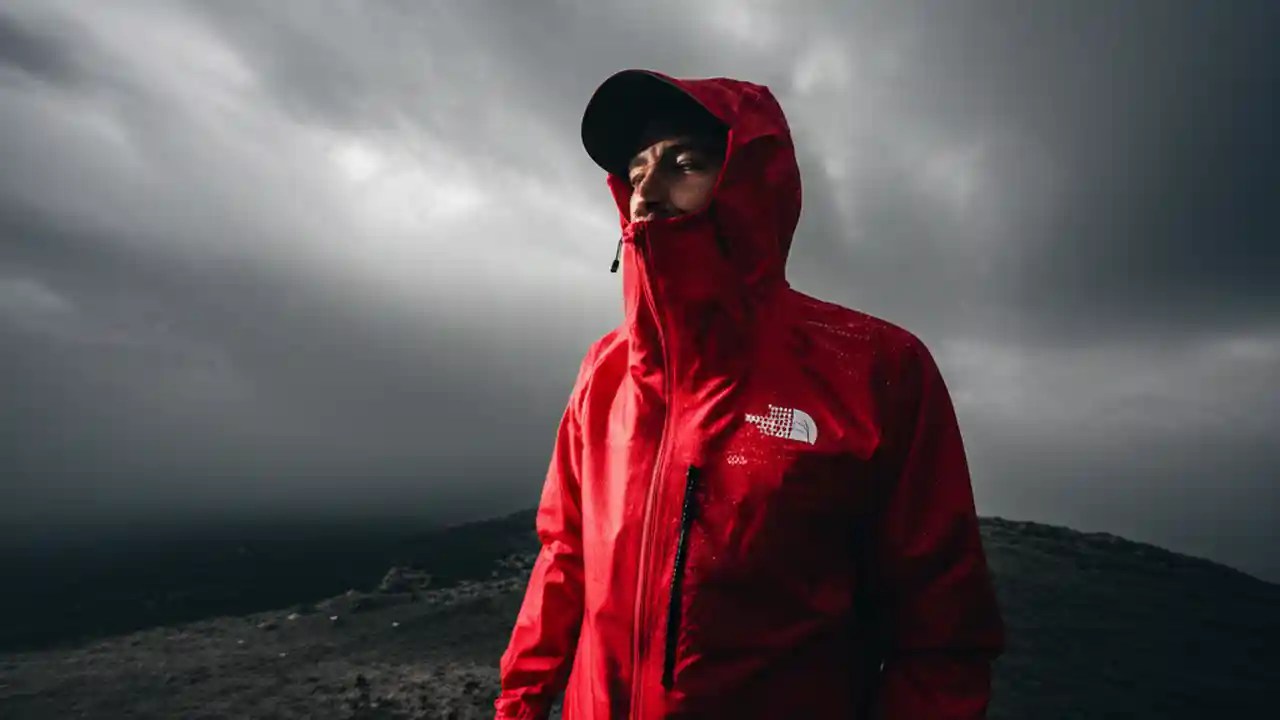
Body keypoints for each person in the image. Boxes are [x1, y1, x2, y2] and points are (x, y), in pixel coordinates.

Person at [494, 69, 1005, 720]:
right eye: (636, 169)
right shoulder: (606, 371)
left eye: (685, 163)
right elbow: (564, 559)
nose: (647, 189)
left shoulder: (876, 369)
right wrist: (517, 708)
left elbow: (942, 635)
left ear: (748, 184)